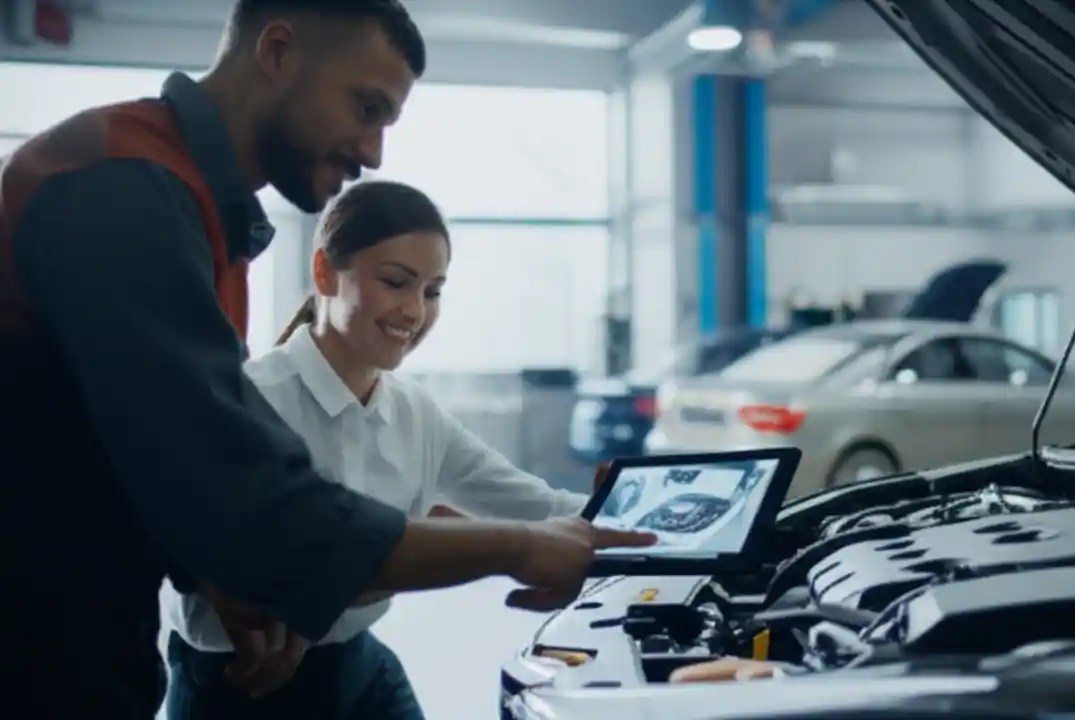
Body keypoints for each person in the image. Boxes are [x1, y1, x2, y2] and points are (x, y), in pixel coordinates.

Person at [0, 1, 652, 717]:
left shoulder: (197, 216)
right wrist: (518, 549)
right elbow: (254, 504)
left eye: (431, 290)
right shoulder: (122, 186)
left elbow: (143, 456)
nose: (373, 153)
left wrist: (220, 571)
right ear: (278, 52)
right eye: (365, 107)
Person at [160, 180, 591, 718]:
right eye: (395, 283)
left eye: (433, 291)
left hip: (360, 672)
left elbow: (541, 507)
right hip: (243, 689)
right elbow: (188, 535)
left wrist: (651, 521)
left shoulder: (415, 414)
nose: (414, 311)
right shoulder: (251, 401)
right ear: (323, 272)